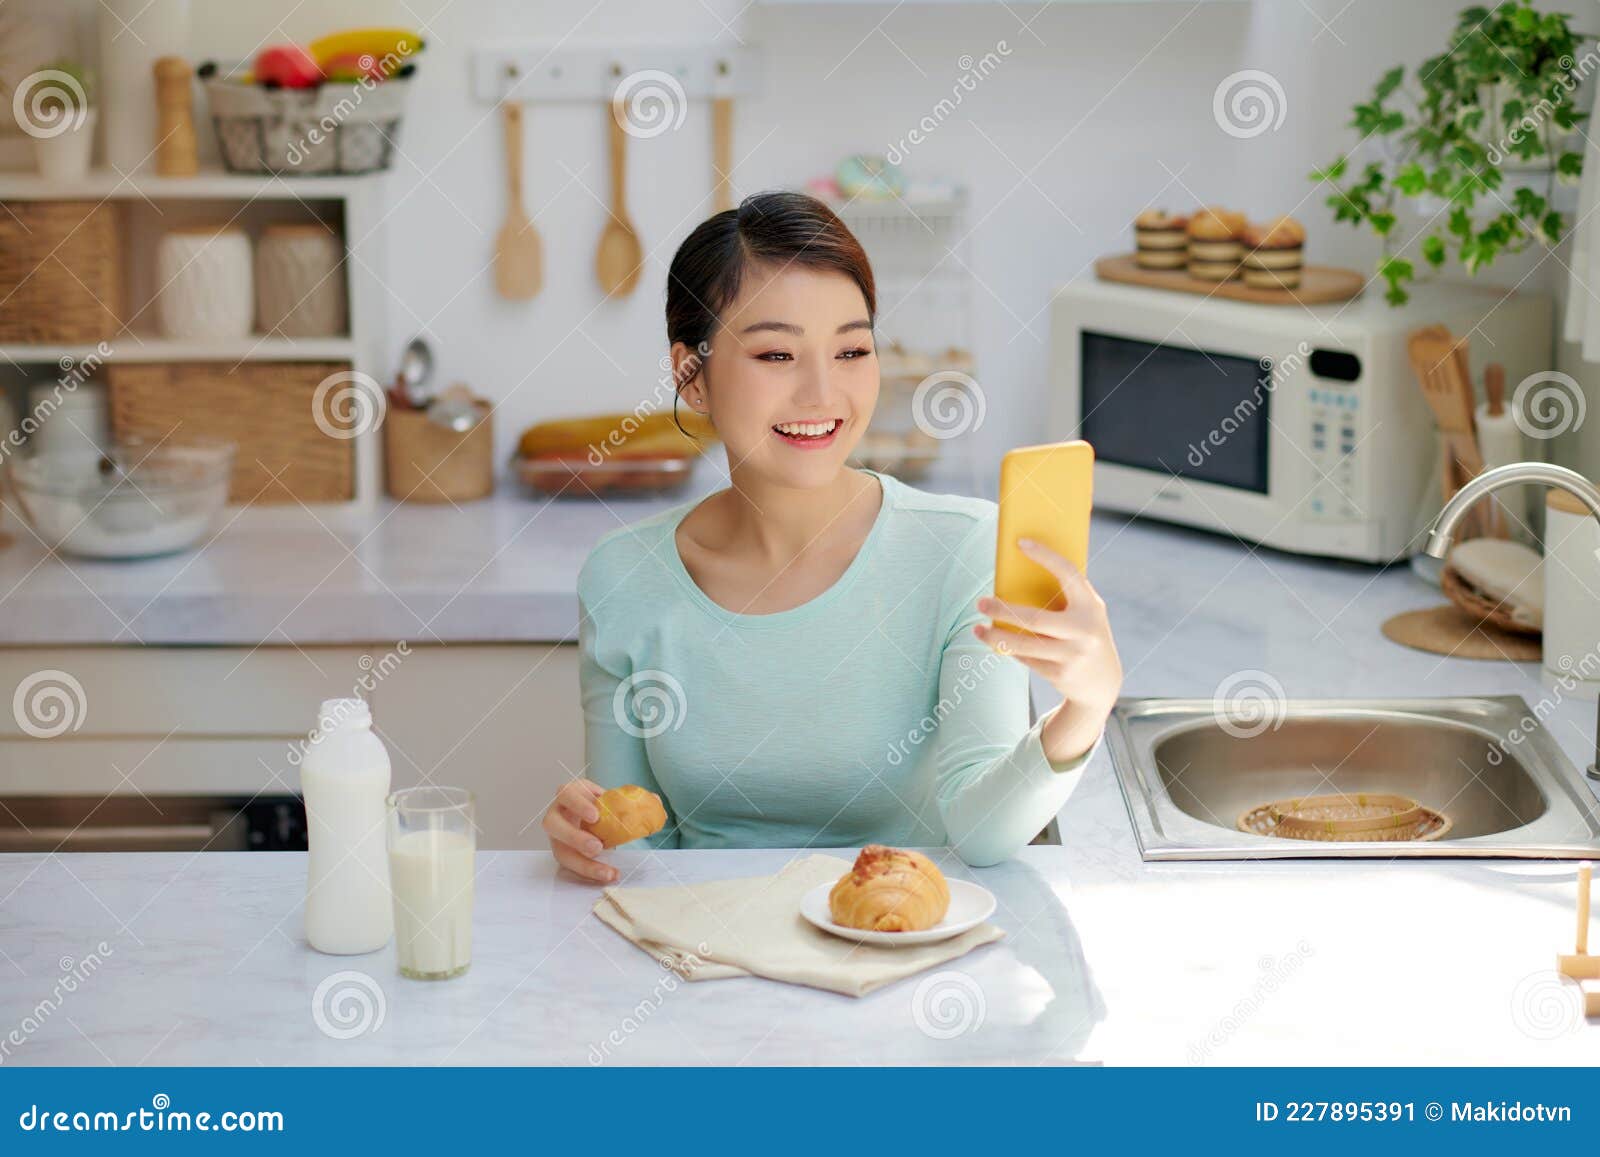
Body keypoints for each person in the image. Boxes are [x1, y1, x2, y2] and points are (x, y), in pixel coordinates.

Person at [543, 191, 1121, 883]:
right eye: (777, 354)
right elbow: (638, 852)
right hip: (706, 967)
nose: (822, 392)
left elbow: (983, 831)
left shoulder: (959, 551)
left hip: (906, 955)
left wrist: (1086, 705)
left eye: (852, 349)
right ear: (691, 375)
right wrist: (589, 834)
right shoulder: (622, 575)